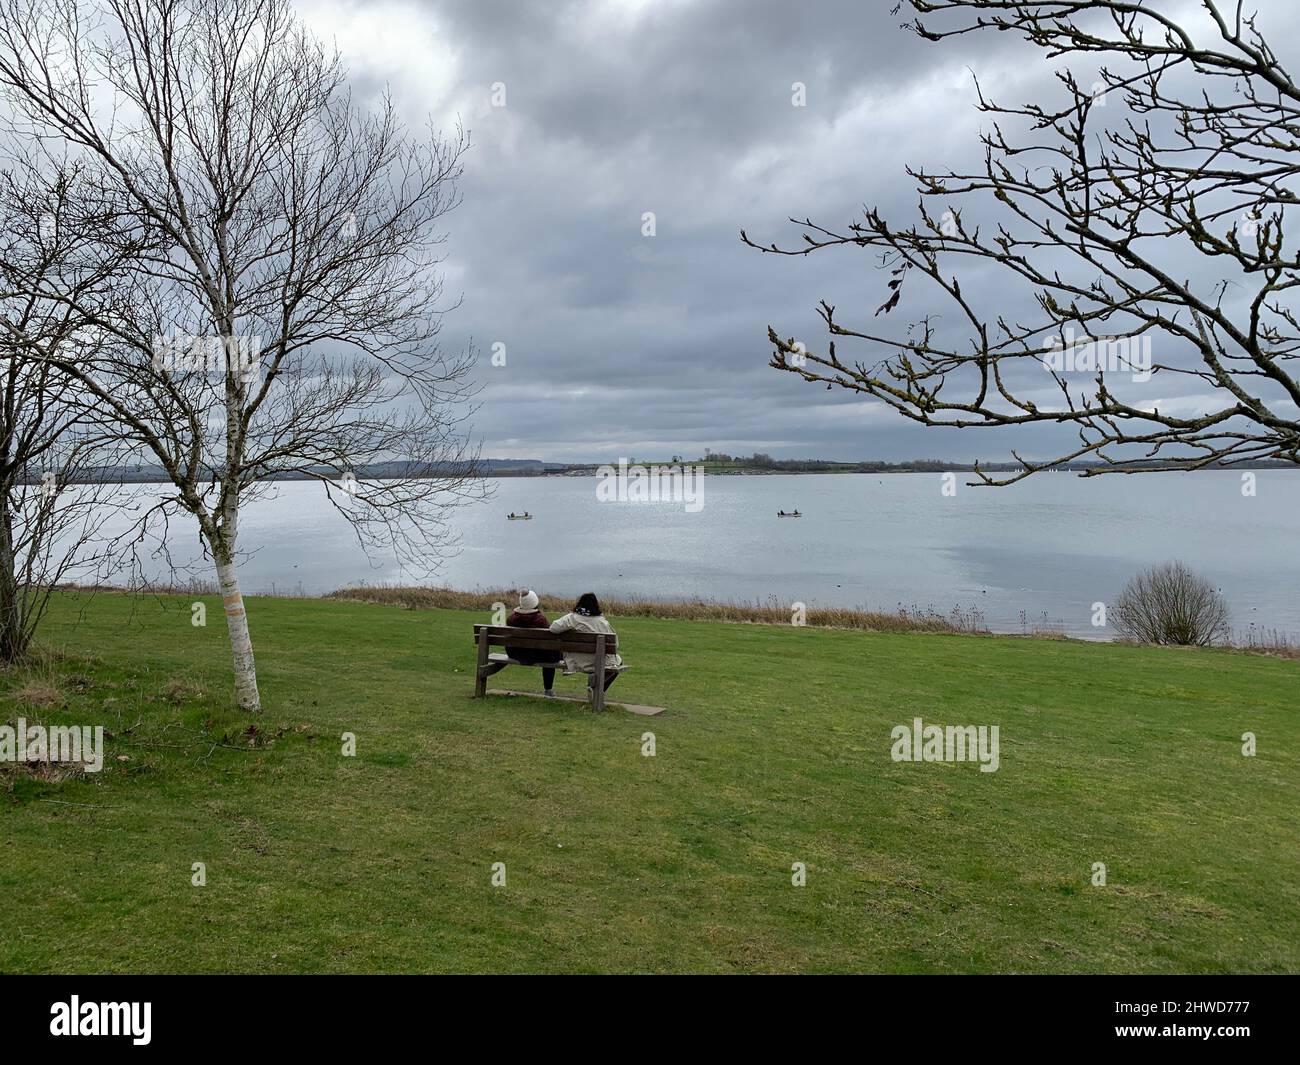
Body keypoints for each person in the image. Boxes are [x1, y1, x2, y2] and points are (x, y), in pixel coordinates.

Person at [549, 592, 625, 700]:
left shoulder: (572, 618)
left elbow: (553, 628)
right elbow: (615, 645)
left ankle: (595, 690)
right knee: (619, 661)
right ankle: (598, 689)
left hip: (576, 662)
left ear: (579, 603)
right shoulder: (602, 622)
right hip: (597, 662)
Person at [506, 590, 562, 697]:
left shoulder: (511, 619)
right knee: (553, 653)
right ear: (535, 603)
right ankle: (548, 690)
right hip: (538, 655)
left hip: (516, 653)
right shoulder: (540, 620)